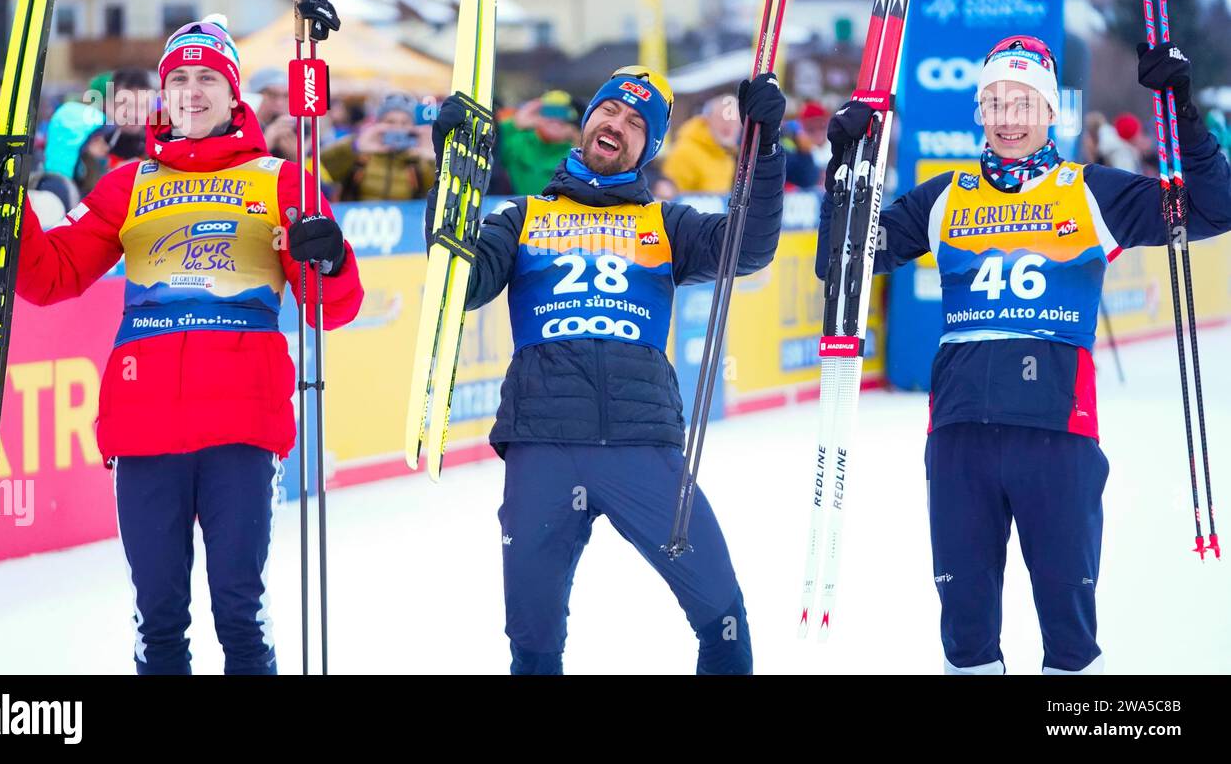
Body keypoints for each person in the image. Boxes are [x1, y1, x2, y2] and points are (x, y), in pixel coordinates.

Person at [817, 35, 1231, 675]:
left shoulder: (1093, 192)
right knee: (966, 635)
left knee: (1068, 636)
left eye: (1024, 103)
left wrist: (1179, 104)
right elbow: (841, 263)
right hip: (959, 440)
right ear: (979, 113)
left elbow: (1214, 208)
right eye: (995, 103)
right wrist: (845, 165)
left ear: (1050, 113)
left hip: (1058, 437)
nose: (1009, 117)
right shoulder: (943, 197)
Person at [0, 13, 364, 674]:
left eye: (207, 76)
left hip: (241, 426)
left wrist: (329, 258)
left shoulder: (280, 179)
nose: (191, 89)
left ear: (233, 94)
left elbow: (333, 308)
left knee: (239, 612)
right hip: (144, 429)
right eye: (178, 77)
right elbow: (50, 276)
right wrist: (0, 205)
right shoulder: (129, 183)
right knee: (159, 622)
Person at [428, 66, 787, 674]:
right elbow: (457, 284)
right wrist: (453, 174)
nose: (616, 125)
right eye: (610, 111)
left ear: (648, 146)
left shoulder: (666, 224)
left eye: (635, 123)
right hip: (543, 444)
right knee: (534, 639)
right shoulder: (521, 218)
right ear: (588, 118)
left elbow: (747, 248)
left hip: (641, 446)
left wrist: (766, 147)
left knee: (721, 611)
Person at [321, 93, 436, 200]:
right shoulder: (361, 156)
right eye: (390, 122)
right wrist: (355, 145)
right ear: (377, 124)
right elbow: (321, 166)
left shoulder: (417, 162)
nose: (397, 128)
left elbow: (436, 191)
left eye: (404, 123)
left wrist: (433, 158)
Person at [496, 90, 584, 194]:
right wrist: (516, 122)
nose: (555, 120)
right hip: (521, 208)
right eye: (549, 112)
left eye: (563, 114)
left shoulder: (577, 155)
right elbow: (495, 139)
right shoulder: (520, 144)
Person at [660, 94, 744, 194]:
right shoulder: (686, 151)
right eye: (722, 118)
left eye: (735, 121)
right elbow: (670, 199)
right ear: (706, 120)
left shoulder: (728, 154)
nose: (729, 125)